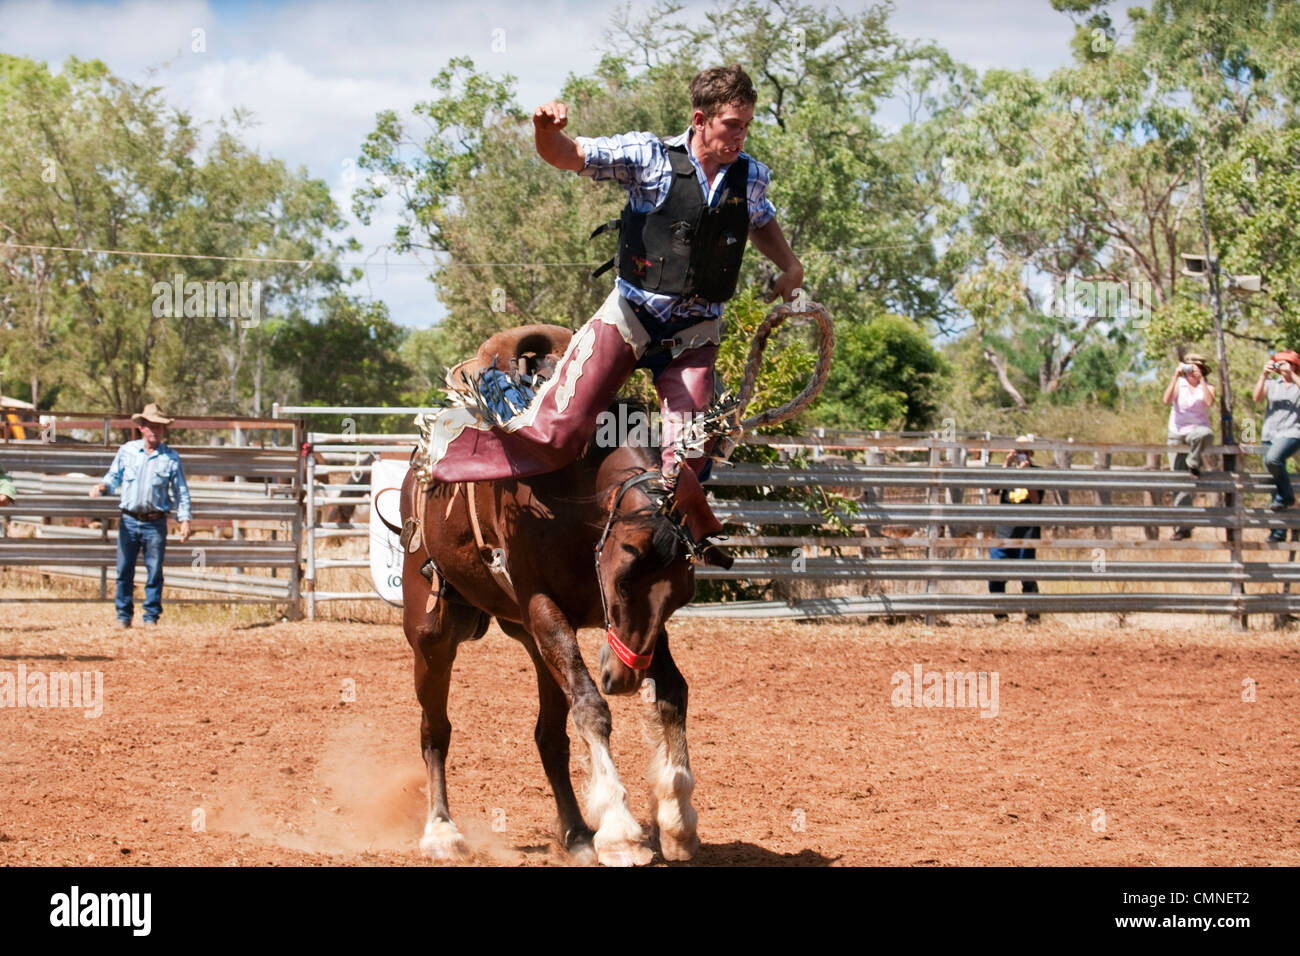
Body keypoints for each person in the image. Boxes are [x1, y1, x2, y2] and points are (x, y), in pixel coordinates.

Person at [415, 64, 803, 555]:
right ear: (701, 119)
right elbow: (570, 155)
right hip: (631, 317)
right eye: (732, 125)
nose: (740, 135)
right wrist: (545, 132)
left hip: (694, 334)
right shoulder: (649, 156)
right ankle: (457, 439)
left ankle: (677, 538)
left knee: (691, 451)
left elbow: (761, 221)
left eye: (747, 125)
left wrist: (791, 266)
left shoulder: (750, 177)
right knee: (557, 435)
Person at [90, 403, 192, 627]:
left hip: (155, 521)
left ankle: (150, 616)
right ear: (143, 428)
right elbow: (113, 476)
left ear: (163, 430)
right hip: (129, 519)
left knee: (154, 570)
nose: (154, 430)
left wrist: (184, 519)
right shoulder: (127, 451)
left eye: (159, 427)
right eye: (151, 426)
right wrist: (103, 487)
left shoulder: (171, 459)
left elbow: (180, 491)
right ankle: (124, 615)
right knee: (124, 569)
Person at [989, 437, 1043, 624]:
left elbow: (1036, 499)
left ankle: (1032, 615)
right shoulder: (1007, 471)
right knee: (996, 573)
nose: (1021, 454)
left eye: (1025, 451)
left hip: (1027, 533)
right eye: (1018, 451)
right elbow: (992, 490)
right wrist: (1006, 465)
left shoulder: (1037, 472)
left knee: (1027, 575)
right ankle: (1000, 616)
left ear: (1031, 454)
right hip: (1004, 532)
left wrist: (1025, 474)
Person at [1163, 353, 1215, 540]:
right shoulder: (1179, 384)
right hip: (1177, 433)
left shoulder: (1208, 386)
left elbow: (1210, 402)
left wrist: (1201, 381)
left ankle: (1193, 461)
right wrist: (1175, 376)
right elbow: (1166, 400)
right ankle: (1182, 527)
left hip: (1198, 431)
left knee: (1205, 434)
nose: (1191, 372)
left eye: (1195, 368)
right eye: (1189, 368)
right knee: (1179, 482)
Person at [1253, 350, 1300, 542]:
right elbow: (1257, 398)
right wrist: (1263, 375)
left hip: (1292, 432)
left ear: (1294, 365)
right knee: (1275, 483)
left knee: (1273, 459)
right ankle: (1278, 531)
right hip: (1270, 434)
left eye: (1285, 363)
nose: (1281, 367)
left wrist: (1294, 375)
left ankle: (1288, 497)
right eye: (1278, 363)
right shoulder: (1272, 384)